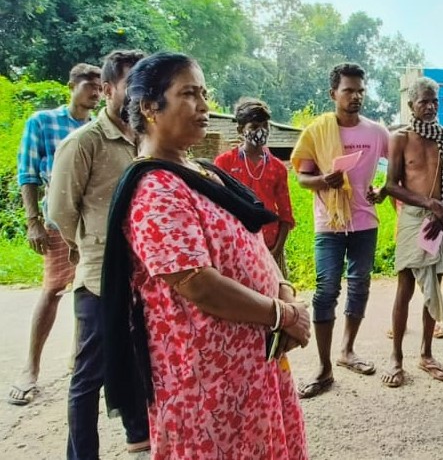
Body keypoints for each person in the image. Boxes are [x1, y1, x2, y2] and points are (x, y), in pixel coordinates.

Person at [101, 52, 310, 459]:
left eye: (204, 93)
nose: (204, 106)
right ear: (149, 107)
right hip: (206, 378)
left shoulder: (202, 171)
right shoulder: (155, 190)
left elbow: (253, 238)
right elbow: (196, 283)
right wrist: (282, 315)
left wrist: (283, 290)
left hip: (251, 363)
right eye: (189, 94)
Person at [48, 50, 151, 458]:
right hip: (97, 276)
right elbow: (61, 213)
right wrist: (92, 249)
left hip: (143, 273)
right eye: (129, 85)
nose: (138, 95)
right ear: (107, 89)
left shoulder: (145, 139)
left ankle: (138, 432)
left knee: (141, 358)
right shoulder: (84, 143)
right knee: (89, 376)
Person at [290, 63, 390, 398]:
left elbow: (393, 167)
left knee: (360, 285)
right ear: (333, 93)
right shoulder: (317, 131)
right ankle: (324, 366)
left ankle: (347, 351)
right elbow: (303, 177)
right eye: (348, 90)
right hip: (329, 225)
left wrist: (382, 189)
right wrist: (323, 180)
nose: (356, 96)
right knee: (326, 289)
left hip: (365, 222)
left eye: (360, 90)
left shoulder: (377, 132)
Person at [9, 63, 100, 406]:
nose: (96, 91)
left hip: (91, 226)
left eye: (100, 86)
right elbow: (28, 173)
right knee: (51, 290)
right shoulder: (43, 121)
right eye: (89, 84)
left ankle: (78, 360)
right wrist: (34, 222)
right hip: (58, 222)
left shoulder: (97, 127)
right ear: (72, 86)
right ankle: (30, 369)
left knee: (88, 291)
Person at [380, 76, 443, 387]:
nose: (430, 107)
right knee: (405, 287)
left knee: (433, 288)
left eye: (434, 102)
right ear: (411, 105)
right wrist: (430, 203)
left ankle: (426, 354)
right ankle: (396, 357)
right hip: (414, 218)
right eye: (423, 101)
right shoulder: (400, 138)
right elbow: (391, 186)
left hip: (440, 220)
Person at [214, 98, 295, 275]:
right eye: (254, 126)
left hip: (271, 247)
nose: (261, 131)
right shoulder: (224, 163)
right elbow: (217, 210)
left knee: (276, 298)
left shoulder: (277, 168)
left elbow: (285, 214)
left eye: (265, 125)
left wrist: (277, 251)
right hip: (236, 248)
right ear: (240, 130)